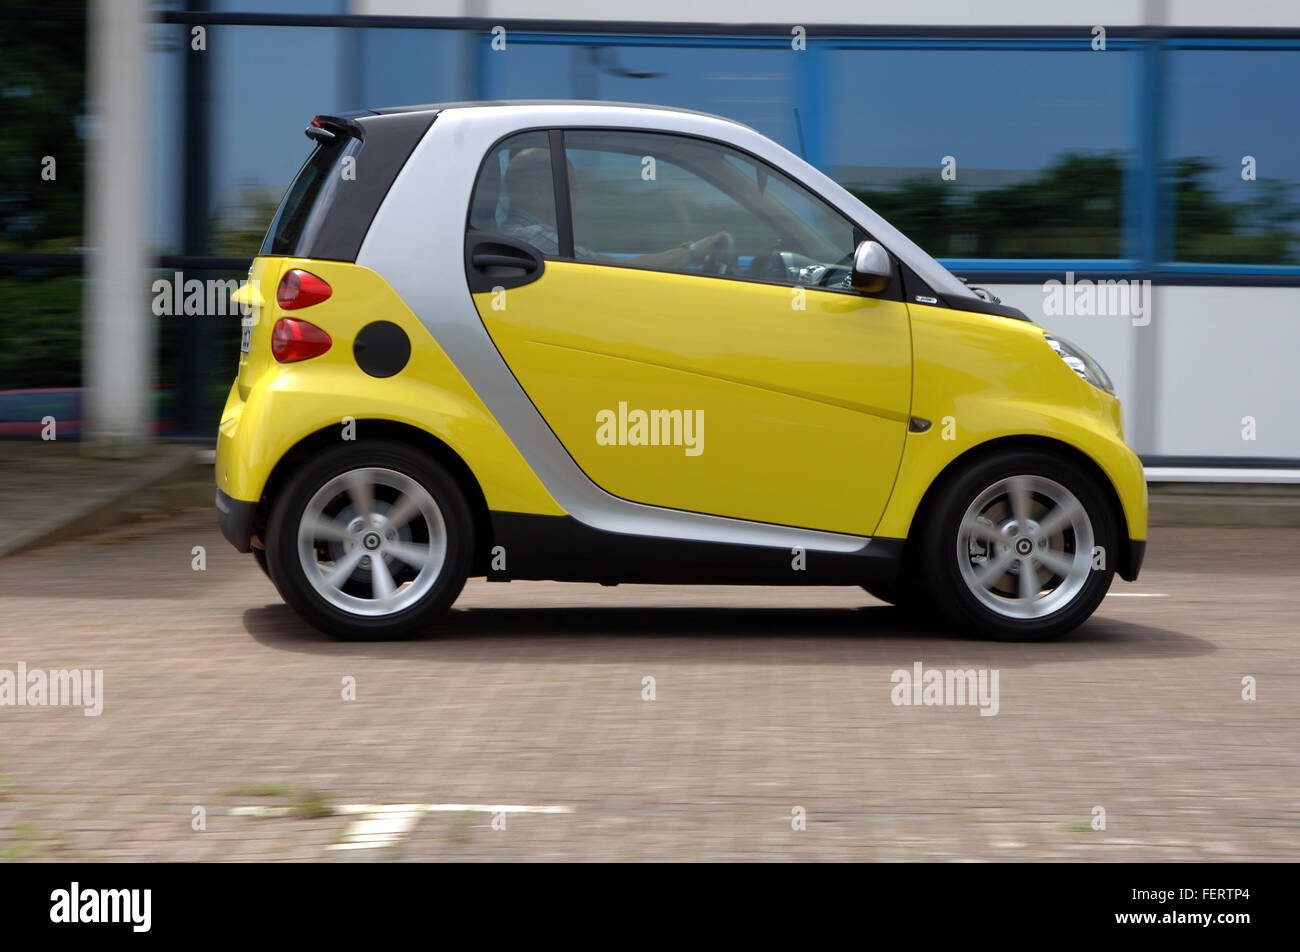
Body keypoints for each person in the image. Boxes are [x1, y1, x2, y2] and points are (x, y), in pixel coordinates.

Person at [499, 147, 730, 271]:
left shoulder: (525, 234)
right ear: (539, 191)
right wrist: (694, 250)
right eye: (570, 187)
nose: (578, 195)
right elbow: (624, 272)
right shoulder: (533, 238)